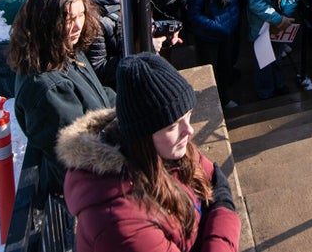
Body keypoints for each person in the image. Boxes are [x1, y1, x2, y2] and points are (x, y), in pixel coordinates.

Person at [58, 53, 241, 252]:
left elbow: (212, 177)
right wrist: (223, 207)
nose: (189, 130)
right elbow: (218, 188)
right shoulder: (119, 221)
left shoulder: (164, 149)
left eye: (188, 116)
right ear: (143, 135)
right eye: (173, 126)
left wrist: (221, 203)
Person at [10, 0, 115, 197]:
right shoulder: (47, 89)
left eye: (81, 15)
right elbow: (82, 154)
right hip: (91, 188)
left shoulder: (63, 50)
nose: (78, 25)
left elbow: (101, 94)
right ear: (46, 23)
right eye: (69, 20)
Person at [245, 0, 301, 100]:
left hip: (281, 20)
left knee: (277, 56)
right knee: (264, 59)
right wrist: (277, 19)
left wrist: (285, 13)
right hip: (262, 23)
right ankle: (265, 90)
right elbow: (256, 2)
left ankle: (278, 84)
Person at [188, 0, 242, 108]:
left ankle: (224, 98)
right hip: (209, 36)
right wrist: (217, 26)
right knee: (211, 71)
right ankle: (212, 103)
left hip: (227, 31)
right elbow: (194, 14)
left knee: (225, 67)